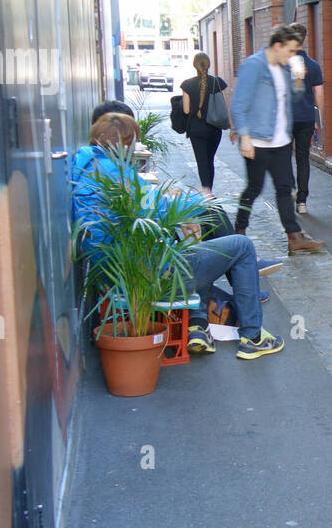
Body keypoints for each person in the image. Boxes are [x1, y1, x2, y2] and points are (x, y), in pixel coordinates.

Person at [71, 112, 283, 359]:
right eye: (132, 144)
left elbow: (144, 208)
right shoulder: (115, 173)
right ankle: (253, 337)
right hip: (147, 276)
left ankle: (198, 325)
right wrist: (197, 198)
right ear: (123, 145)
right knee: (241, 245)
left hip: (123, 270)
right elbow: (152, 209)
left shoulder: (89, 168)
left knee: (195, 239)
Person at [230, 24, 326, 255]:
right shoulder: (254, 66)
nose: (293, 56)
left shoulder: (284, 69)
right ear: (277, 45)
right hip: (259, 141)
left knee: (284, 188)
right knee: (254, 188)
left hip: (281, 140)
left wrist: (297, 81)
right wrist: (244, 137)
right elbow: (239, 104)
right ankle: (239, 230)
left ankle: (294, 237)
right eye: (291, 50)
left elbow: (292, 98)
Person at [287, 22, 324, 214]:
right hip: (307, 117)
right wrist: (319, 119)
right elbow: (319, 95)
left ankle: (291, 187)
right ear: (305, 39)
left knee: (284, 156)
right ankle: (302, 202)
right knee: (303, 159)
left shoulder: (283, 64)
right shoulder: (314, 66)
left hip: (285, 118)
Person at [179, 52, 229, 196]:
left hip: (196, 128)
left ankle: (206, 192)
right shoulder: (218, 82)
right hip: (214, 129)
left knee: (201, 162)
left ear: (194, 65)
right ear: (208, 65)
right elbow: (225, 107)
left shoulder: (187, 84)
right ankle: (209, 189)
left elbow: (186, 110)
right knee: (210, 160)